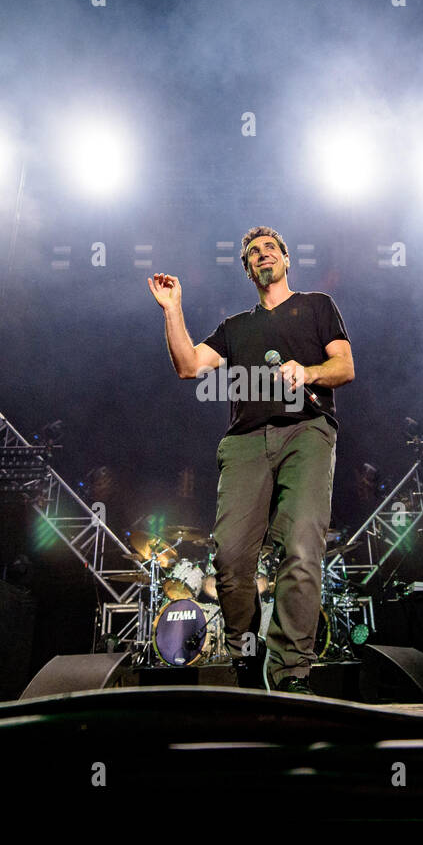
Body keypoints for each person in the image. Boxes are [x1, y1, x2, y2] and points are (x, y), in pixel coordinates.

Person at [147, 226, 354, 693]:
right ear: (248, 270)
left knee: (302, 547)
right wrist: (173, 309)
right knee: (231, 561)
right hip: (244, 442)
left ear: (285, 258)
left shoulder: (318, 306)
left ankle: (290, 674)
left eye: (269, 249)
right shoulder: (235, 328)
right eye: (252, 253)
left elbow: (345, 367)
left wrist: (310, 371)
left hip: (307, 430)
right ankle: (246, 652)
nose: (262, 255)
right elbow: (187, 366)